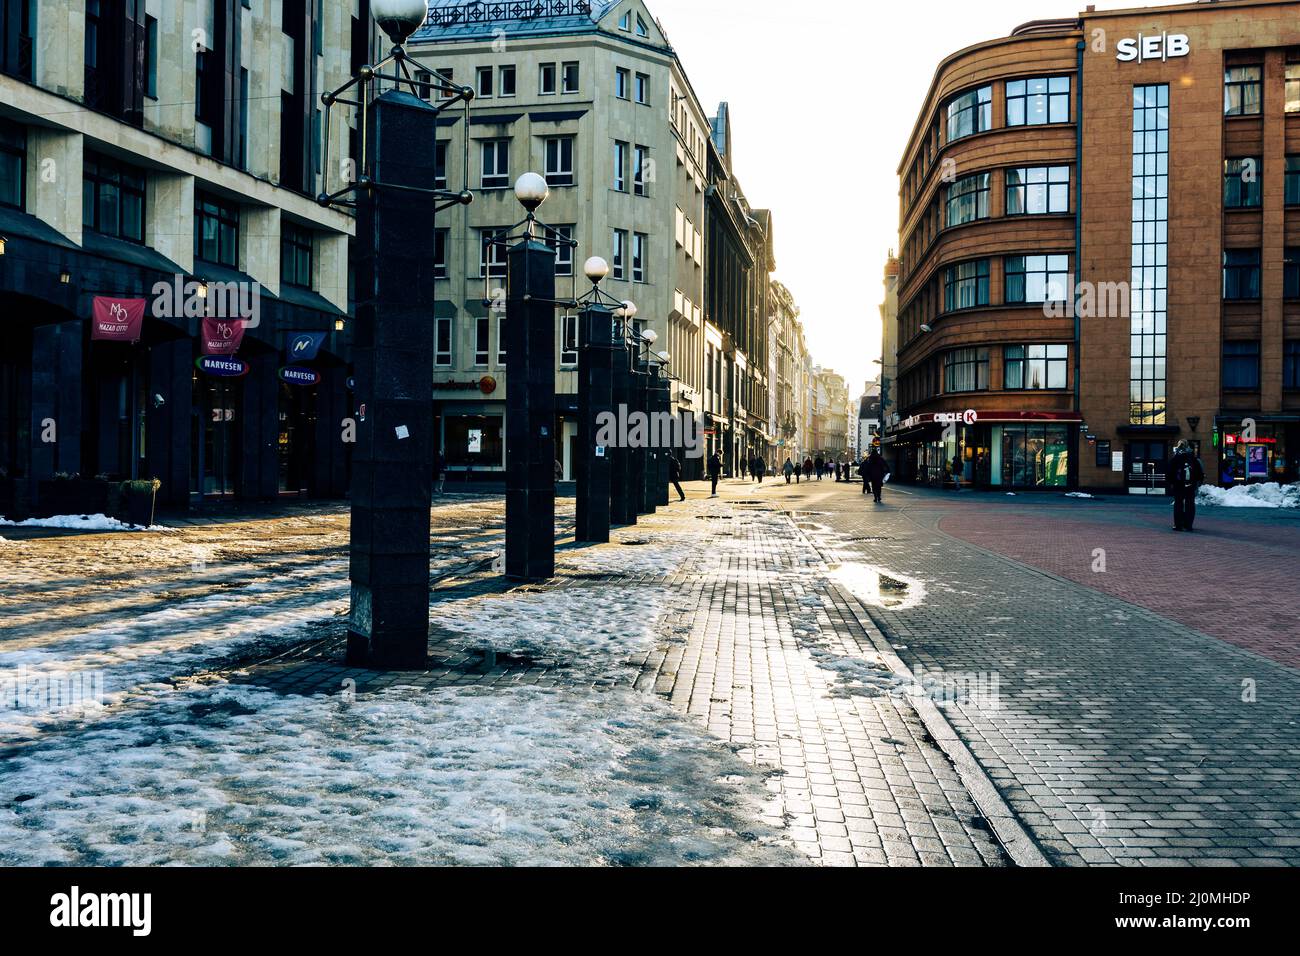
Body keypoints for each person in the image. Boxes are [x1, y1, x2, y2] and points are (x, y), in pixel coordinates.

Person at [1167, 439, 1205, 532]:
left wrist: (1171, 483)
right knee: (1190, 504)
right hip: (1190, 485)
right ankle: (1188, 525)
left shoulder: (1175, 458)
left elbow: (1170, 472)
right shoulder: (1193, 458)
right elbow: (1200, 473)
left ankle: (1178, 525)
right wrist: (1197, 482)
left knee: (1178, 504)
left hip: (1178, 485)